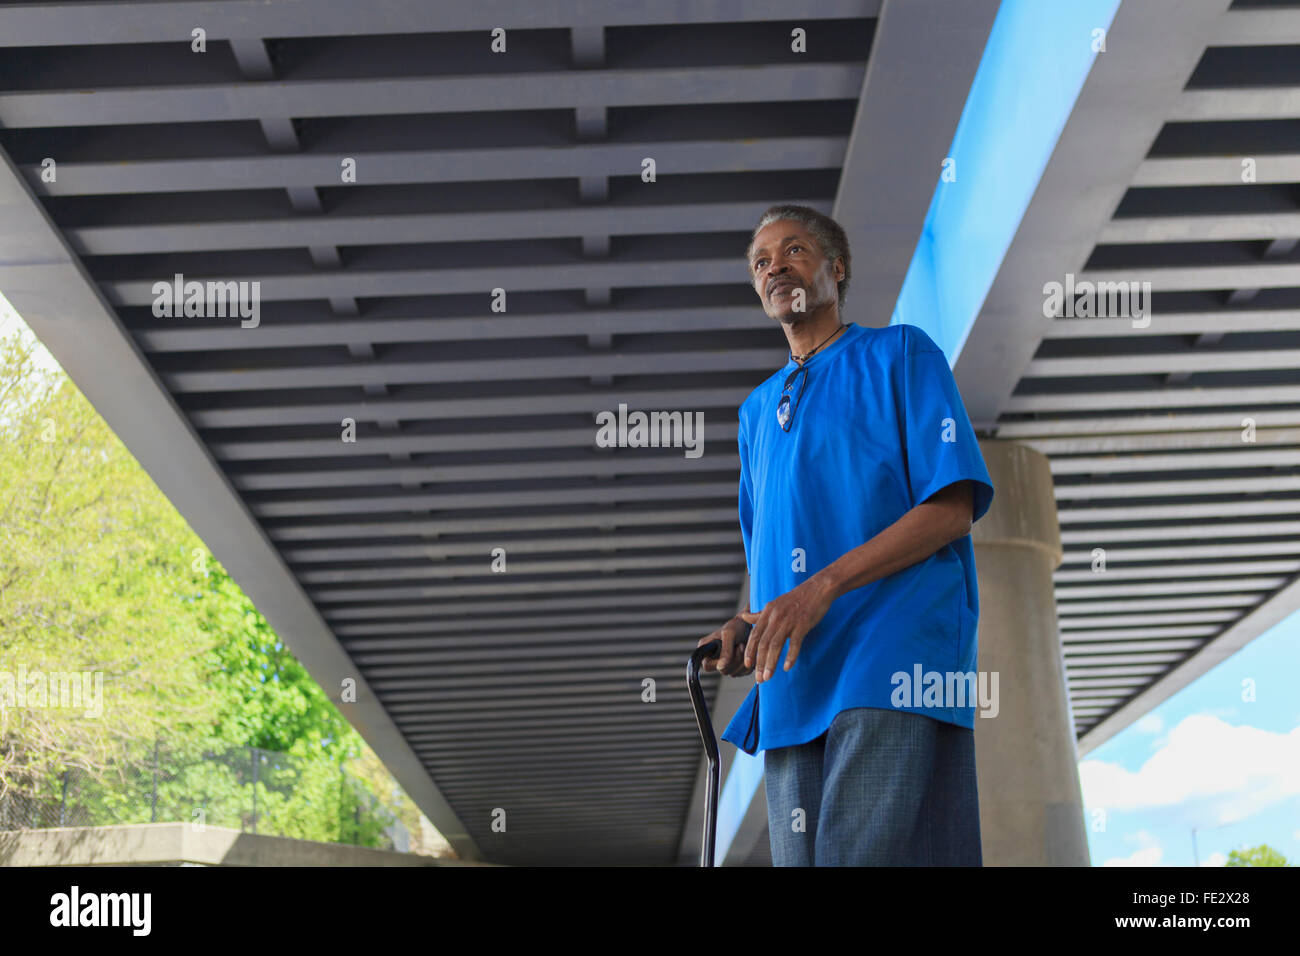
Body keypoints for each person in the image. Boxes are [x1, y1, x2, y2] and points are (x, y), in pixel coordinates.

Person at [696, 204, 995, 866]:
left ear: (837, 268)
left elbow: (952, 505)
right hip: (794, 674)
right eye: (761, 261)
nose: (776, 267)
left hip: (889, 649)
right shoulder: (754, 415)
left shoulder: (899, 354)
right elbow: (772, 558)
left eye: (793, 250)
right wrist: (752, 623)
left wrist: (822, 588)